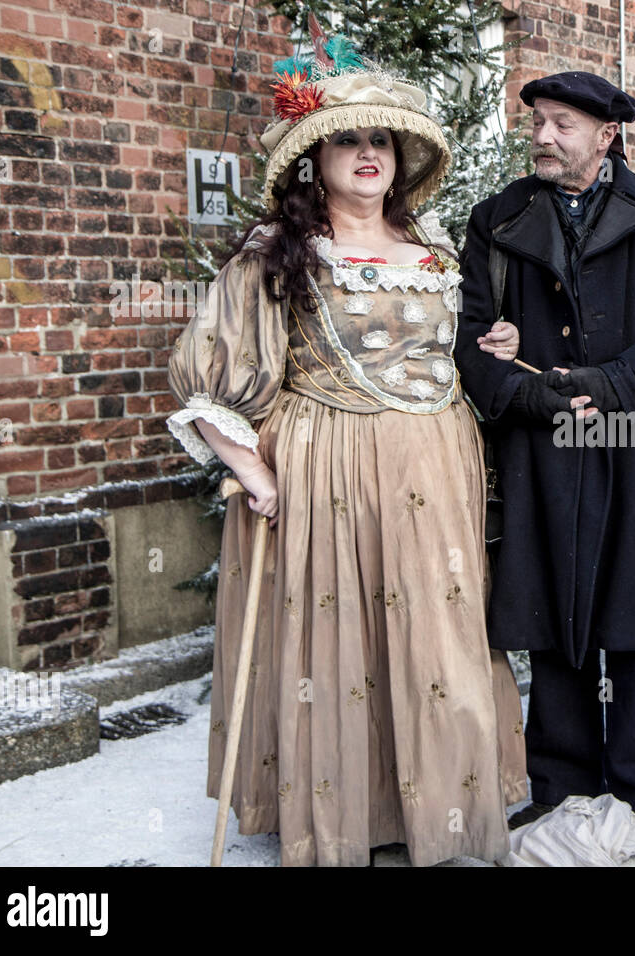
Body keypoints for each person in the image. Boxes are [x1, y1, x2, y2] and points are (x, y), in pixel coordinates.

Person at [166, 37, 528, 866]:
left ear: (400, 158)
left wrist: (495, 344)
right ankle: (342, 818)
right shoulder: (277, 252)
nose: (367, 155)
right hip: (325, 461)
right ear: (313, 159)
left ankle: (431, 807)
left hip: (436, 460)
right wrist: (250, 465)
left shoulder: (435, 247)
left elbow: (455, 351)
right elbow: (206, 364)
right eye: (346, 140)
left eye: (380, 142)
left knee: (437, 637)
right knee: (334, 643)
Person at [453, 71, 635, 866]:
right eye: (537, 122)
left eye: (562, 124)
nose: (541, 136)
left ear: (606, 136)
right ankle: (562, 788)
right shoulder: (495, 222)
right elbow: (467, 340)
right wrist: (534, 401)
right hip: (543, 448)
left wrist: (611, 387)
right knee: (553, 618)